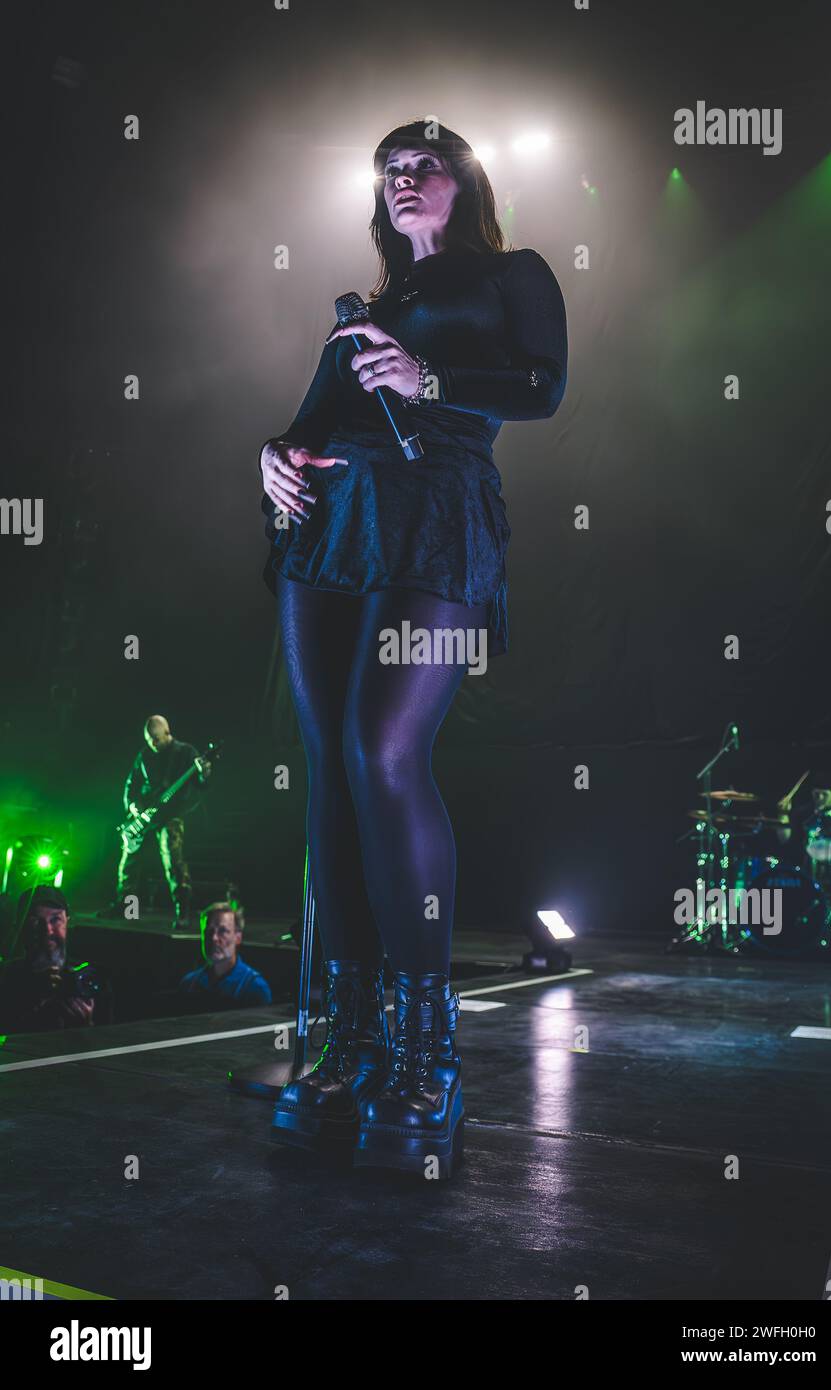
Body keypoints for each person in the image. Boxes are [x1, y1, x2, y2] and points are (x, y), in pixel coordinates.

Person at [257, 119, 567, 1178]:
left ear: (462, 180)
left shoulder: (512, 274)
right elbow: (306, 421)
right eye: (387, 170)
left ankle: (429, 1051)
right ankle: (349, 1041)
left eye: (420, 163)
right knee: (333, 779)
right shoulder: (368, 308)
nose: (401, 179)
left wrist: (427, 381)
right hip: (330, 531)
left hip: (435, 513)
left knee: (384, 752)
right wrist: (273, 458)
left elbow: (543, 387)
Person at [105, 715, 211, 929]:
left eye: (156, 739)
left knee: (172, 859)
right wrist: (134, 807)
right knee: (130, 862)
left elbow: (201, 785)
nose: (153, 744)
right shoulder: (144, 755)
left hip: (171, 814)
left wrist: (204, 774)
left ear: (167, 732)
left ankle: (182, 910)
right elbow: (131, 784)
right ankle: (127, 909)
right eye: (149, 740)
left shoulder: (185, 752)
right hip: (144, 814)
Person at [0, 886, 112, 1034]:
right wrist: (31, 998)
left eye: (55, 919)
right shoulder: (6, 977)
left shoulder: (91, 979)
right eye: (35, 921)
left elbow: (110, 1046)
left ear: (68, 923)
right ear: (20, 927)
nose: (47, 930)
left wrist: (86, 1026)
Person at [178, 902, 272, 1010]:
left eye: (223, 931)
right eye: (209, 931)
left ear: (238, 937)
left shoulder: (254, 988)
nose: (214, 938)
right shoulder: (189, 984)